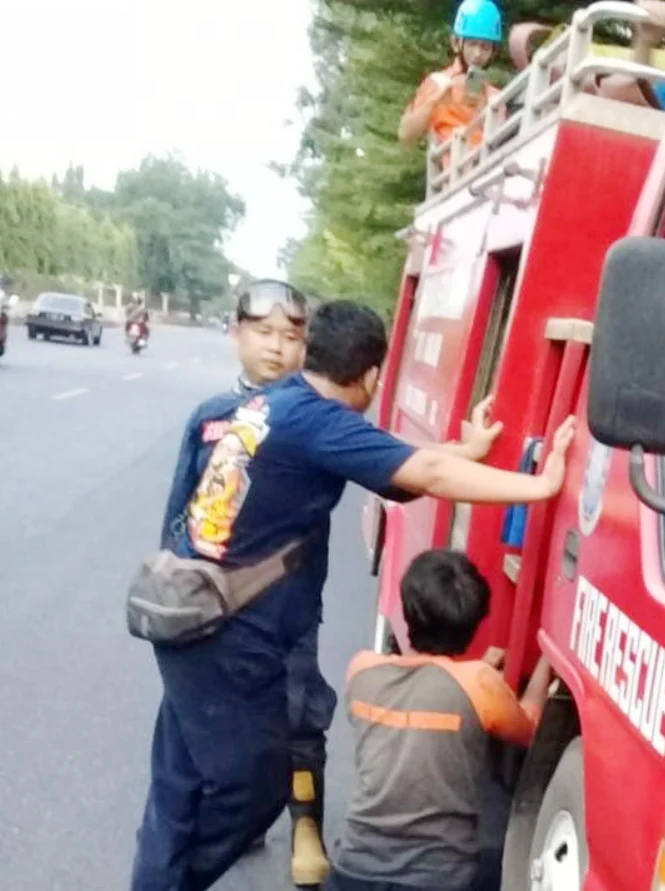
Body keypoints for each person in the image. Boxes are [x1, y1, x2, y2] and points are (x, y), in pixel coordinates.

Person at [131, 299, 576, 891]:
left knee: (178, 788)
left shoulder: (275, 405)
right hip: (233, 638)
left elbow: (391, 457)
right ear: (370, 375)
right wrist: (542, 484)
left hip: (190, 616)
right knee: (254, 790)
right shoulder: (318, 421)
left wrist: (466, 451)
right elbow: (430, 477)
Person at [327, 550, 553, 891]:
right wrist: (549, 656)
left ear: (408, 611)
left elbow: (423, 696)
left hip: (353, 872)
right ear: (474, 624)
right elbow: (529, 727)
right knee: (502, 861)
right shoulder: (478, 684)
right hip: (439, 880)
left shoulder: (362, 671)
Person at [398, 0, 504, 152]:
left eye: (485, 47)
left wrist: (483, 107)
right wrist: (436, 100)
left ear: (493, 52)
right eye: (472, 44)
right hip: (450, 168)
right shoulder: (437, 83)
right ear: (456, 43)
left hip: (483, 166)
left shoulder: (494, 96)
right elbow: (406, 136)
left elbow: (501, 143)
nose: (477, 54)